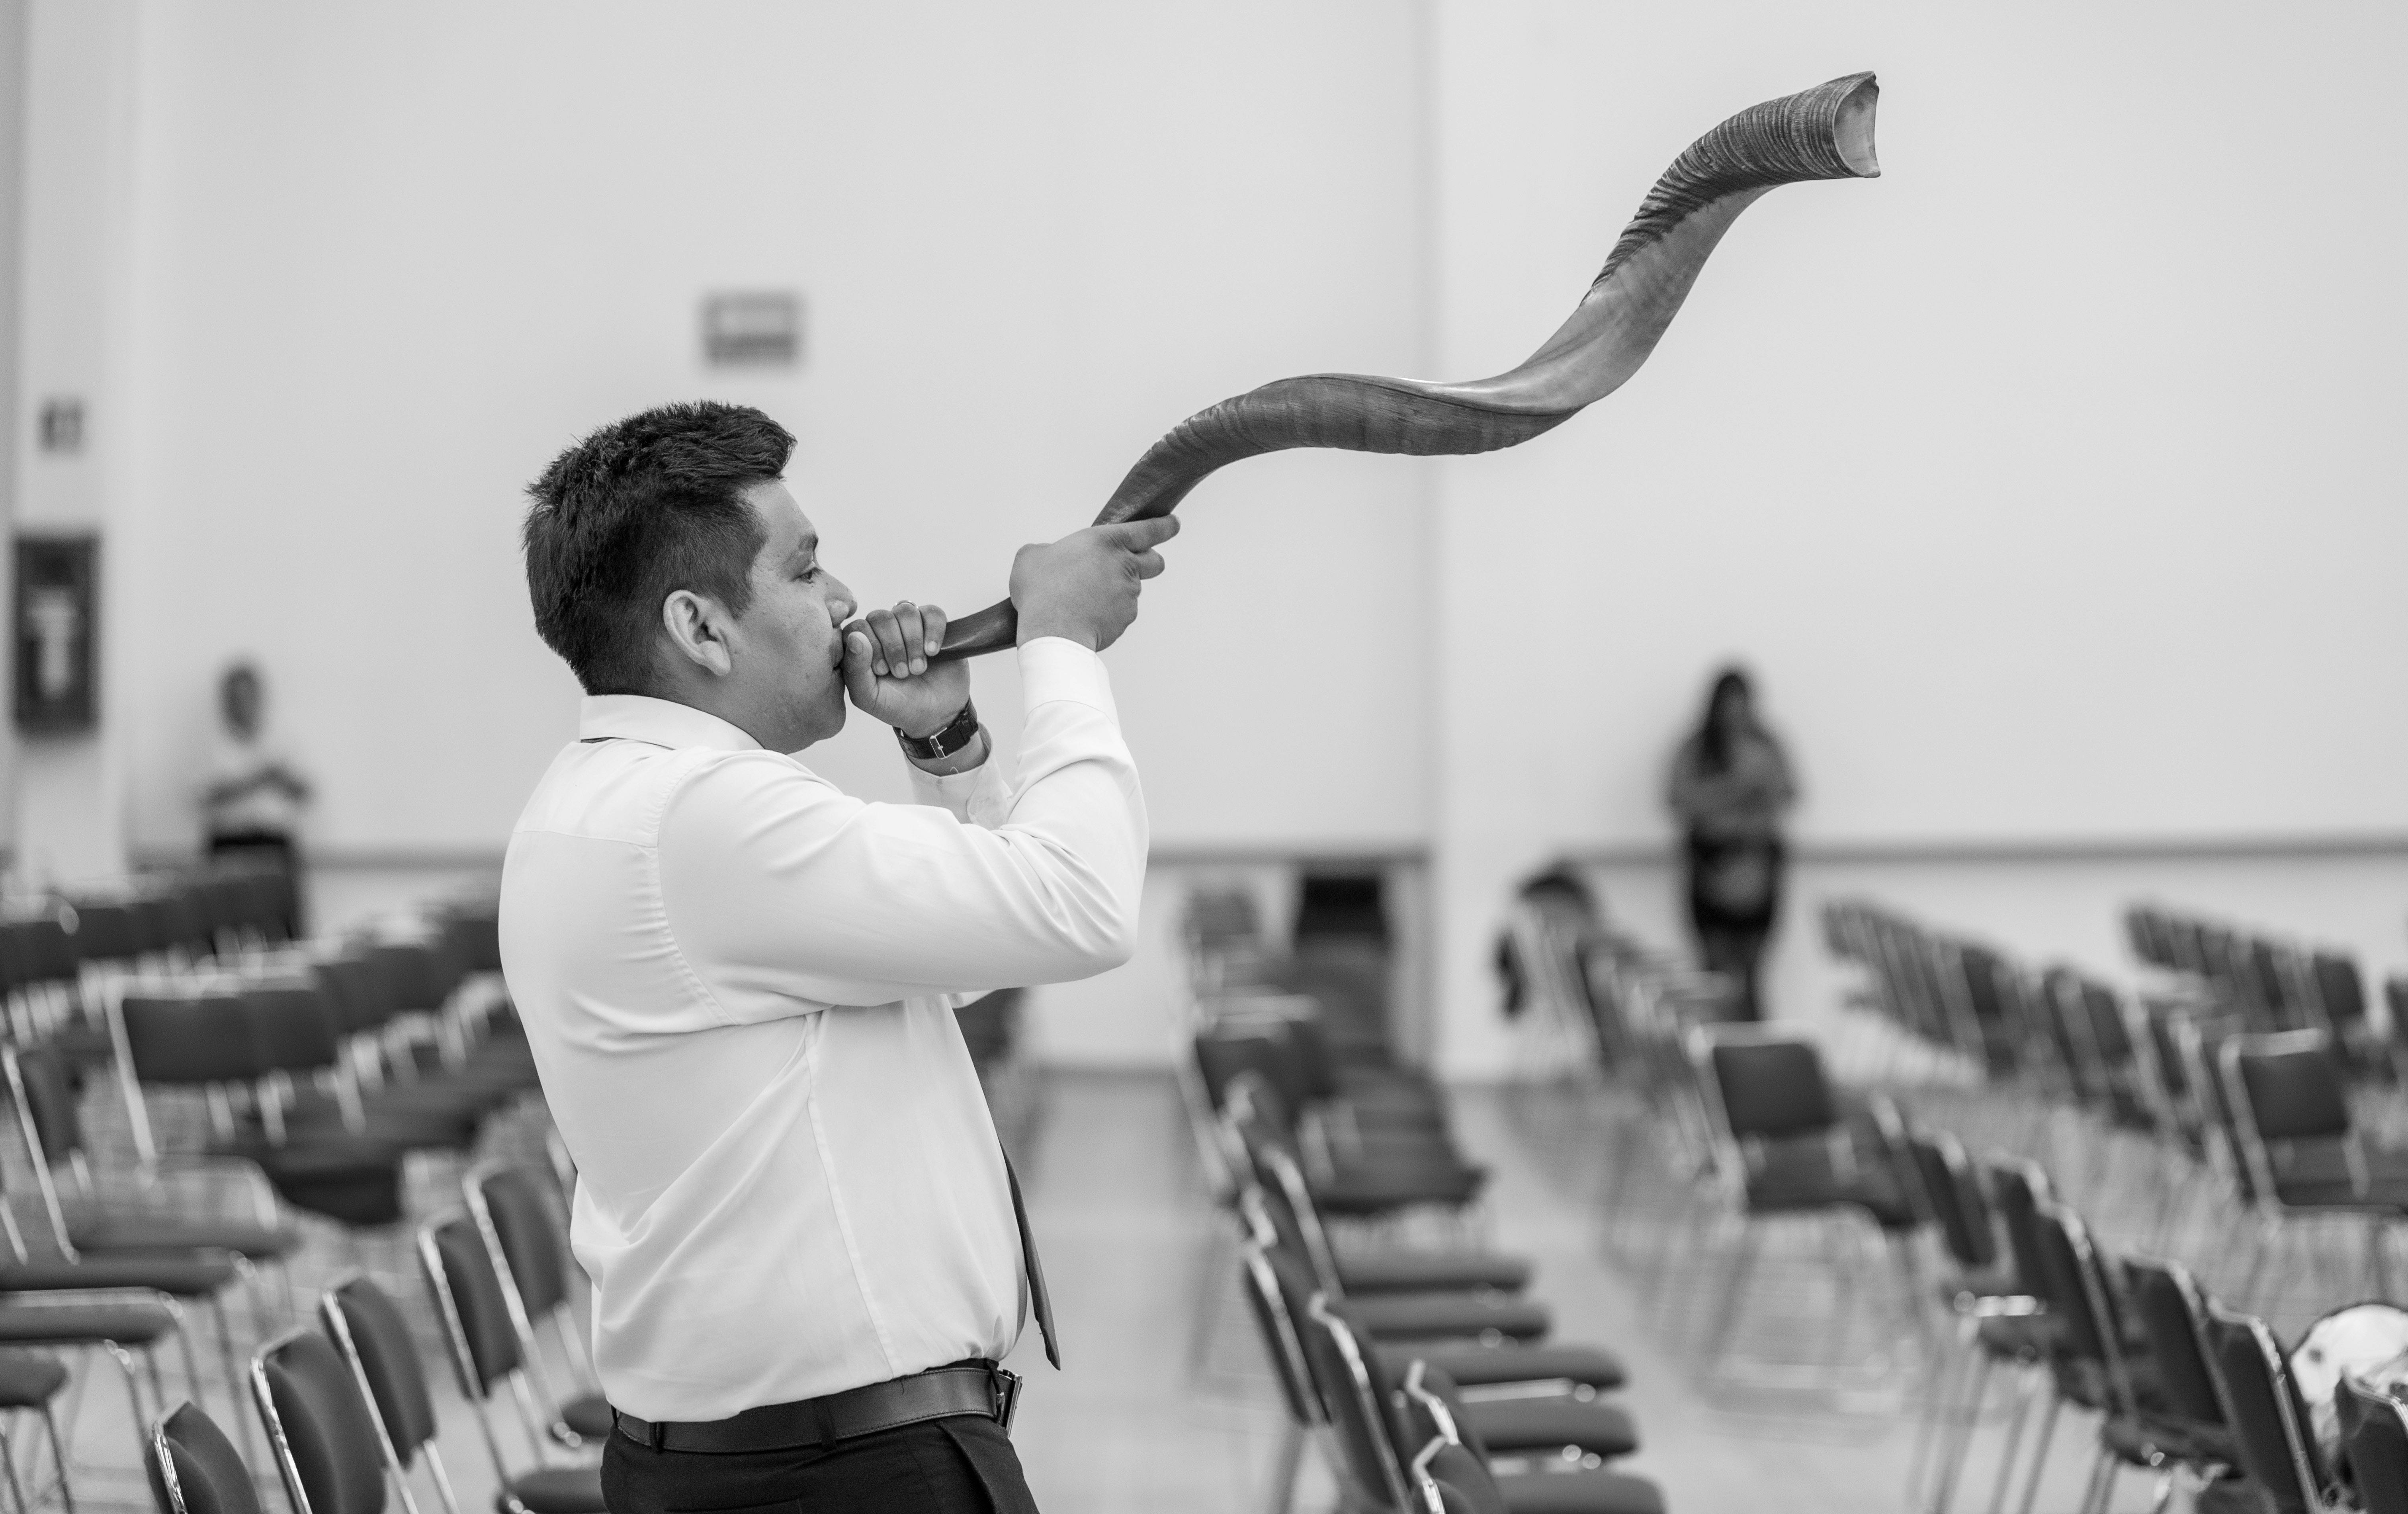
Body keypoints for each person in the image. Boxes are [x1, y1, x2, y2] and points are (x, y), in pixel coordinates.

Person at [499, 401, 1174, 1514]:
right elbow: (1081, 903)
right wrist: (1061, 643)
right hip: (846, 1473)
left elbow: (962, 954)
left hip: (766, 1460)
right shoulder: (701, 817)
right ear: (701, 628)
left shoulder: (605, 802)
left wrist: (943, 740)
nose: (846, 599)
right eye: (806, 570)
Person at [1665, 667, 1796, 1020]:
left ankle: (1757, 1044)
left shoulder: (1766, 744)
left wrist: (1756, 795)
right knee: (1714, 972)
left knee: (1752, 973)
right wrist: (1733, 788)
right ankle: (1718, 1042)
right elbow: (1678, 799)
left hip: (1756, 866)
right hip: (1711, 864)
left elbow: (1786, 794)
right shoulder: (1697, 748)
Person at [201, 660, 312, 935]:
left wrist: (282, 779)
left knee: (286, 929)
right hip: (230, 846)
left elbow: (305, 791)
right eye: (236, 698)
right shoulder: (210, 744)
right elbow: (204, 796)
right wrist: (257, 779)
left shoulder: (283, 739)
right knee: (225, 930)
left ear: (260, 698)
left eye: (248, 697)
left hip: (274, 844)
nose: (243, 705)